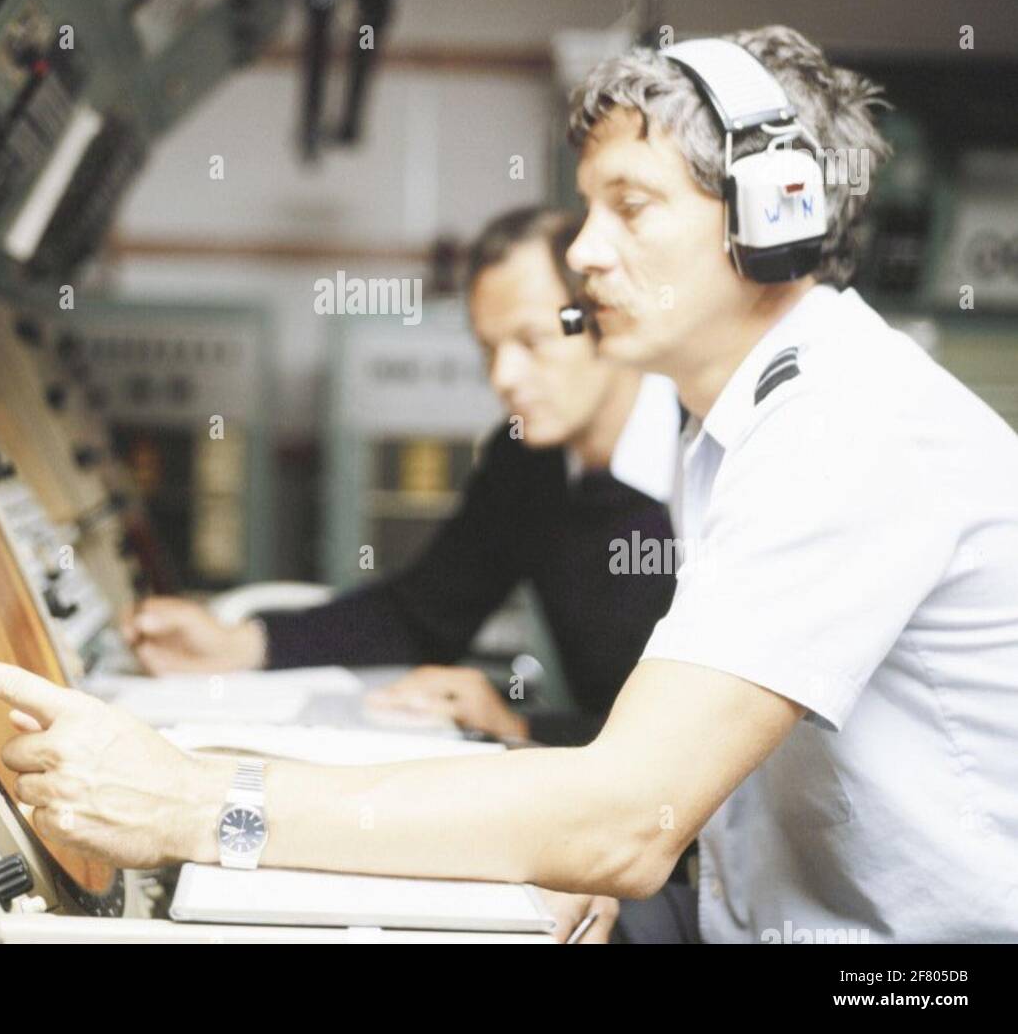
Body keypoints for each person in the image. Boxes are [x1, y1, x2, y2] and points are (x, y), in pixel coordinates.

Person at [0, 24, 1018, 943]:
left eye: (630, 206)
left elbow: (627, 819)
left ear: (775, 213)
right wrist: (587, 825)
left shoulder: (844, 426)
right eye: (586, 207)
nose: (586, 254)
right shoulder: (734, 423)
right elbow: (654, 803)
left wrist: (196, 805)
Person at [120, 205, 681, 752]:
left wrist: (522, 729)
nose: (503, 378)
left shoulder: (702, 458)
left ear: (603, 315)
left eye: (531, 341)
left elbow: (695, 739)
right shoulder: (528, 465)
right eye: (488, 349)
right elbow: (420, 612)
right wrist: (238, 644)